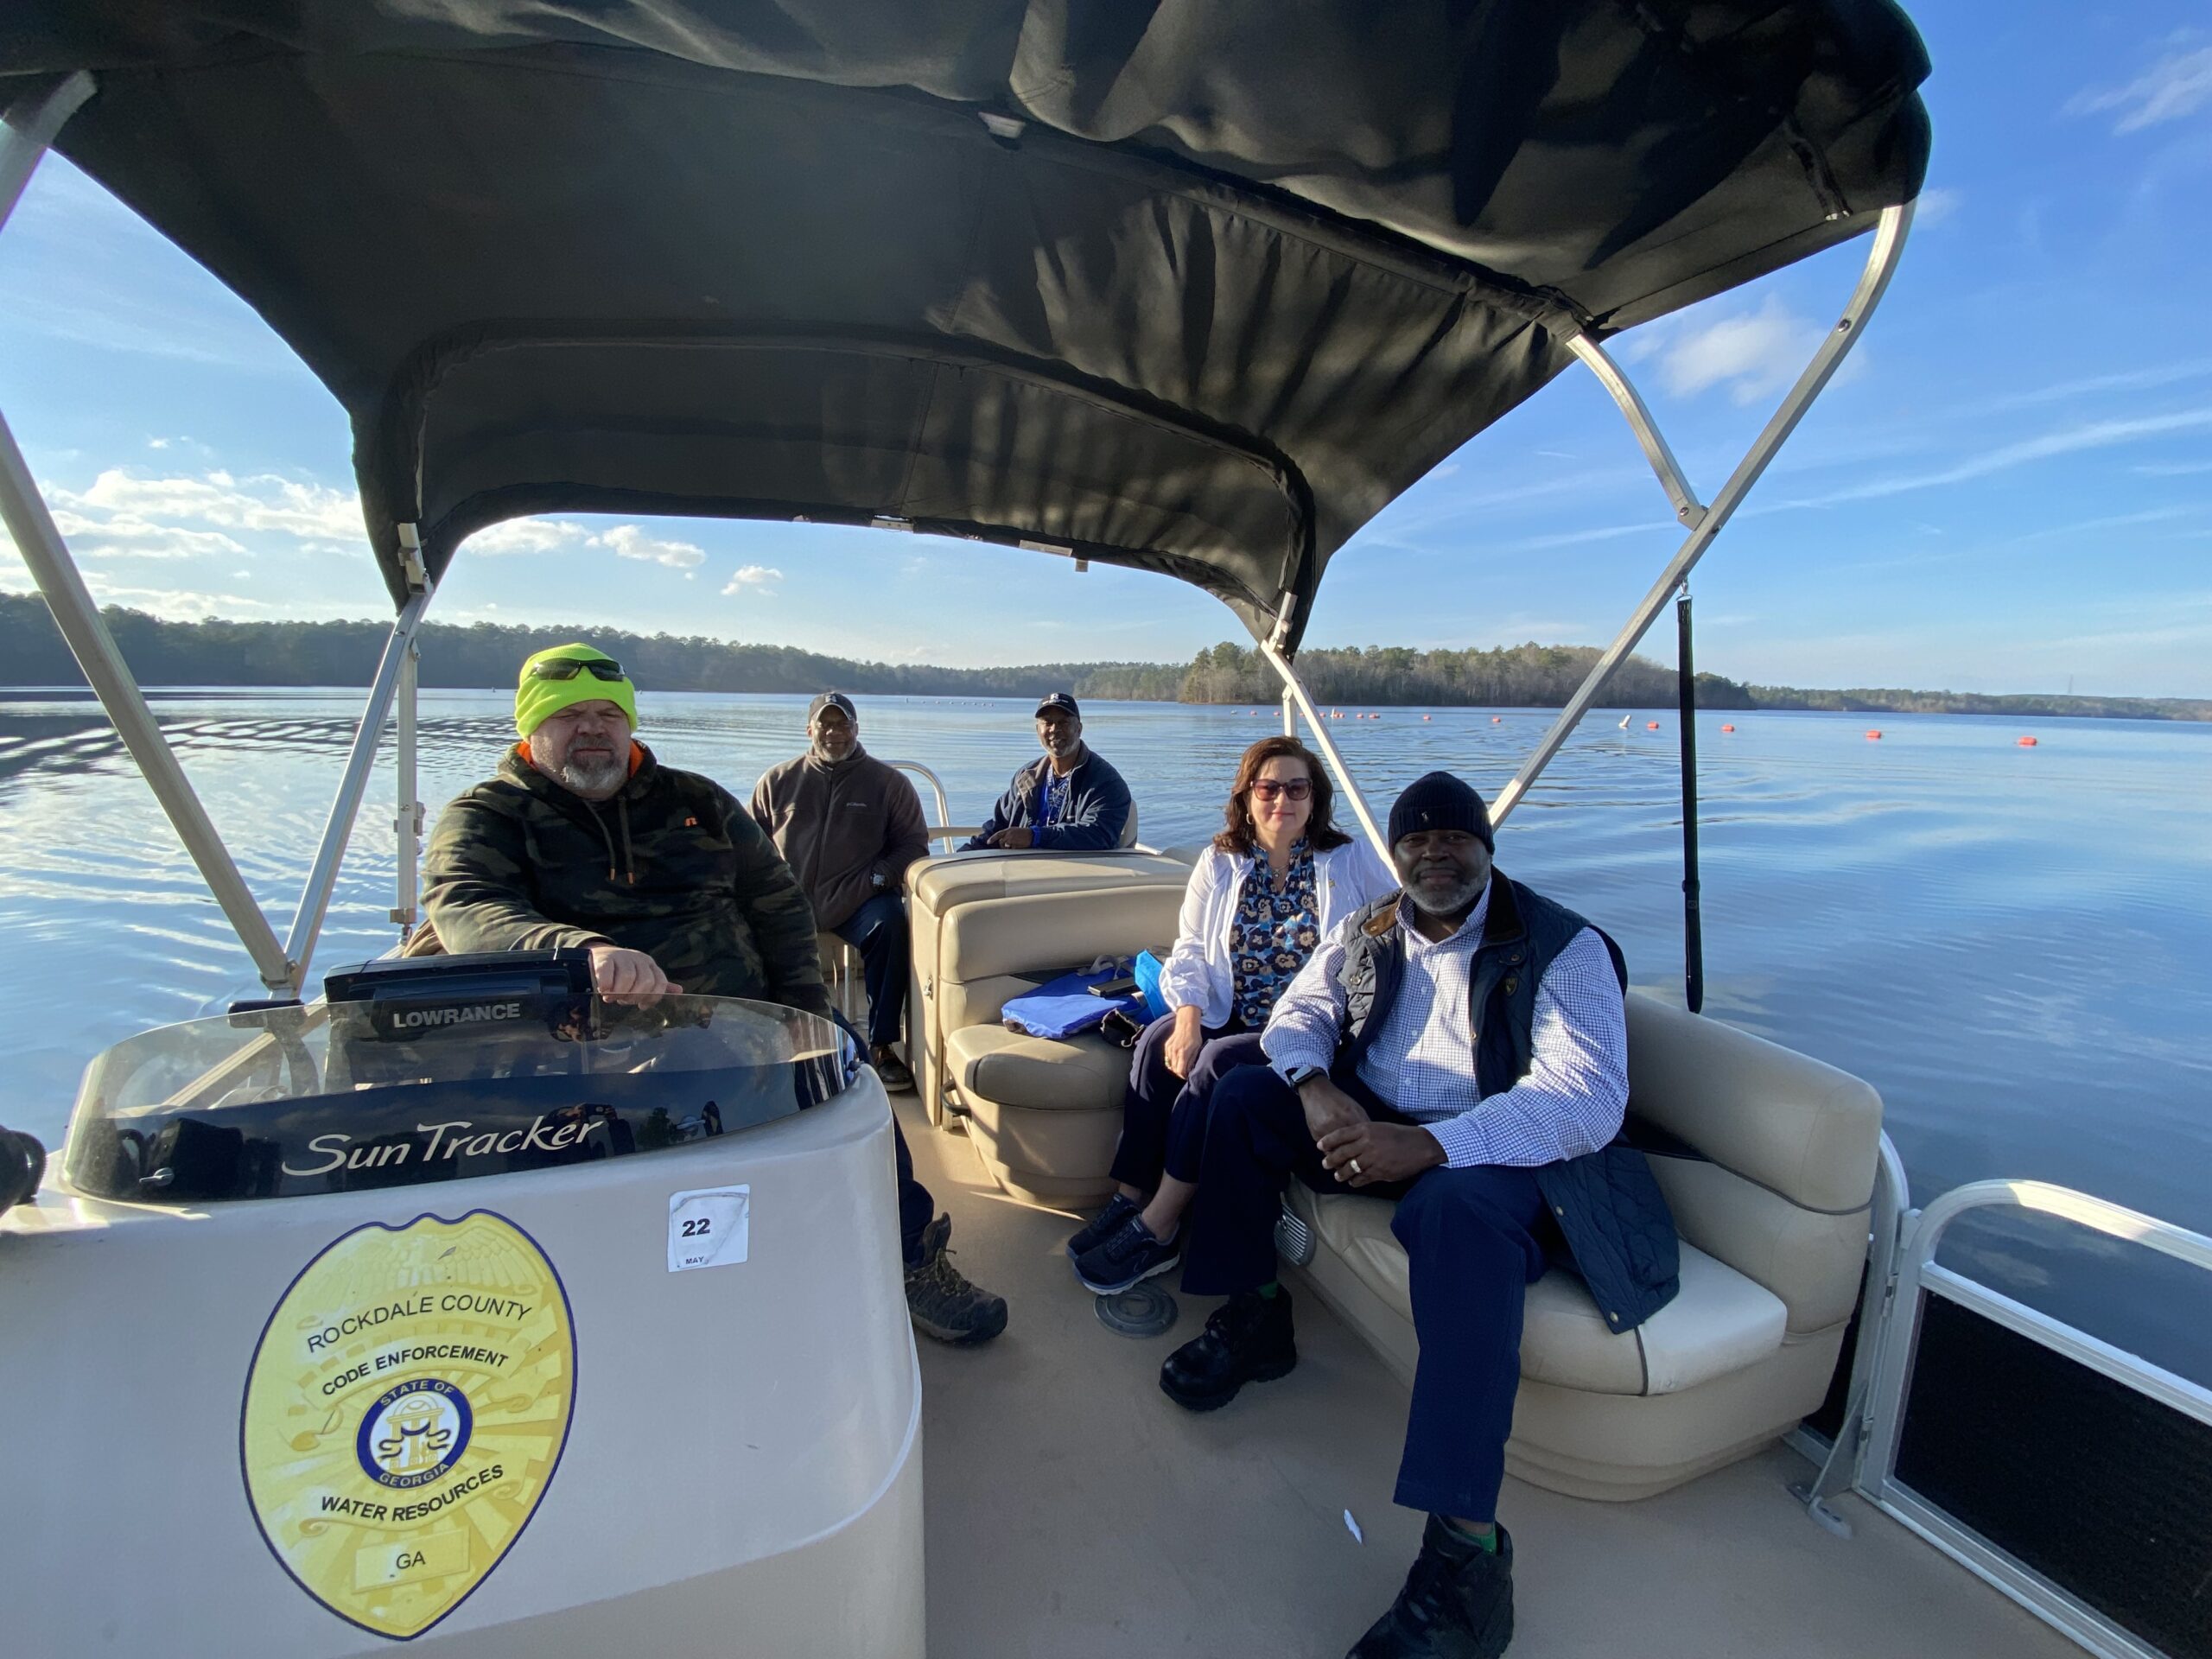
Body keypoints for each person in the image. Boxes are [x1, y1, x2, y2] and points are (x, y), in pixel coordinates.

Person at [1157, 772, 1678, 1659]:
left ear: (1487, 847)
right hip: (1376, 1119)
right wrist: (1316, 1091)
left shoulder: (1562, 946)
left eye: (1456, 837)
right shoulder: (1368, 927)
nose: (1435, 851)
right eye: (1415, 840)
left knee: (1454, 1216)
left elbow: (1583, 1100)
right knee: (1244, 1097)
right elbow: (1298, 1016)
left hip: (1509, 1156)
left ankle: (1465, 1558)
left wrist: (1432, 1147)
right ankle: (1256, 1320)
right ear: (1393, 854)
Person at [421, 643, 1007, 1345]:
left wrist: (804, 1010)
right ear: (530, 729)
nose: (592, 729)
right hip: (584, 1047)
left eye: (608, 714)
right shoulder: (489, 815)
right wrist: (581, 951)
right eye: (569, 715)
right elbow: (466, 906)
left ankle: (910, 1259)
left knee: (857, 1090)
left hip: (745, 1019)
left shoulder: (696, 800)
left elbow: (780, 905)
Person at [1065, 735, 1394, 1294]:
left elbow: (1396, 927)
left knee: (1216, 1063)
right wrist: (1188, 1016)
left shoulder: (1349, 859)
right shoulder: (1221, 862)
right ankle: (1129, 1199)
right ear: (1247, 797)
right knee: (1155, 1042)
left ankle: (1160, 1227)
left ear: (1315, 799)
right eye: (1268, 788)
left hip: (1309, 1030)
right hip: (1231, 1010)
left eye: (1297, 788)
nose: (1281, 800)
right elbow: (1190, 947)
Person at [750, 691, 928, 1091]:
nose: (834, 733)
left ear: (856, 728)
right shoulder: (777, 782)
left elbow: (913, 845)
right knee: (742, 934)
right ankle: (773, 1044)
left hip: (859, 901)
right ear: (809, 729)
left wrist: (877, 880)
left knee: (891, 925)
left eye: (843, 724)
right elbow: (748, 848)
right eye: (826, 724)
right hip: (788, 903)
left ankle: (881, 1045)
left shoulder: (888, 784)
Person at [960, 692, 1131, 851]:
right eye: (1047, 722)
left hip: (1079, 878)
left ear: (1079, 729)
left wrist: (1035, 836)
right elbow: (997, 829)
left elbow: (1098, 834)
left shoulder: (1106, 782)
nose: (1054, 729)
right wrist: (956, 858)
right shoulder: (1026, 776)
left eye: (1064, 722)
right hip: (1023, 873)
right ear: (1037, 730)